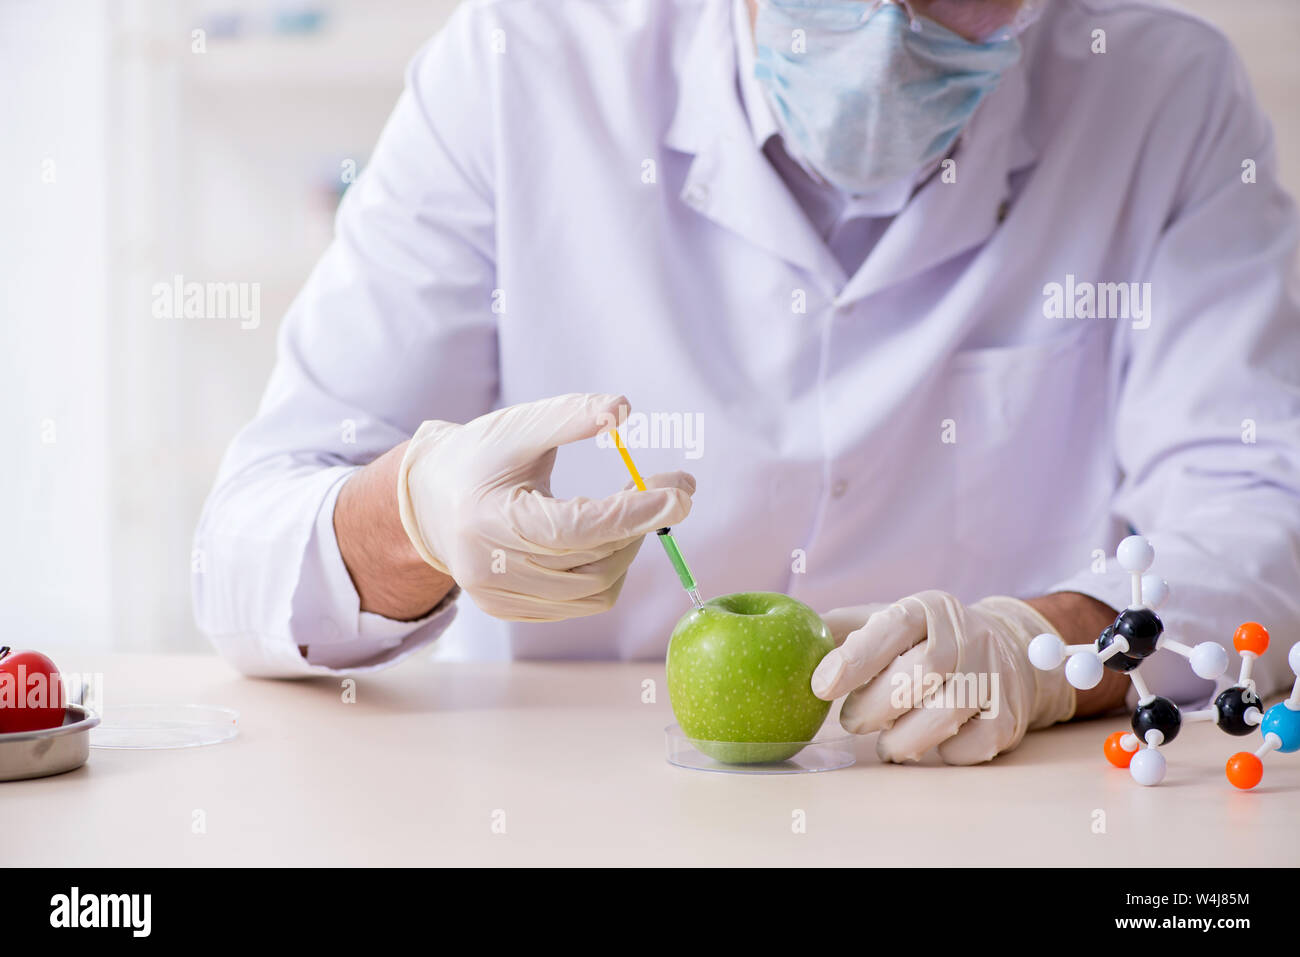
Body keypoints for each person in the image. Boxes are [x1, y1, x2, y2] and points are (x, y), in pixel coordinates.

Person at [194, 0, 1300, 765]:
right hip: (562, 810)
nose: (883, 35)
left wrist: (1056, 645)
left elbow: (1259, 509)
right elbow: (244, 553)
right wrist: (412, 516)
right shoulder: (519, 66)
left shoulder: (1160, 94)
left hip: (983, 798)